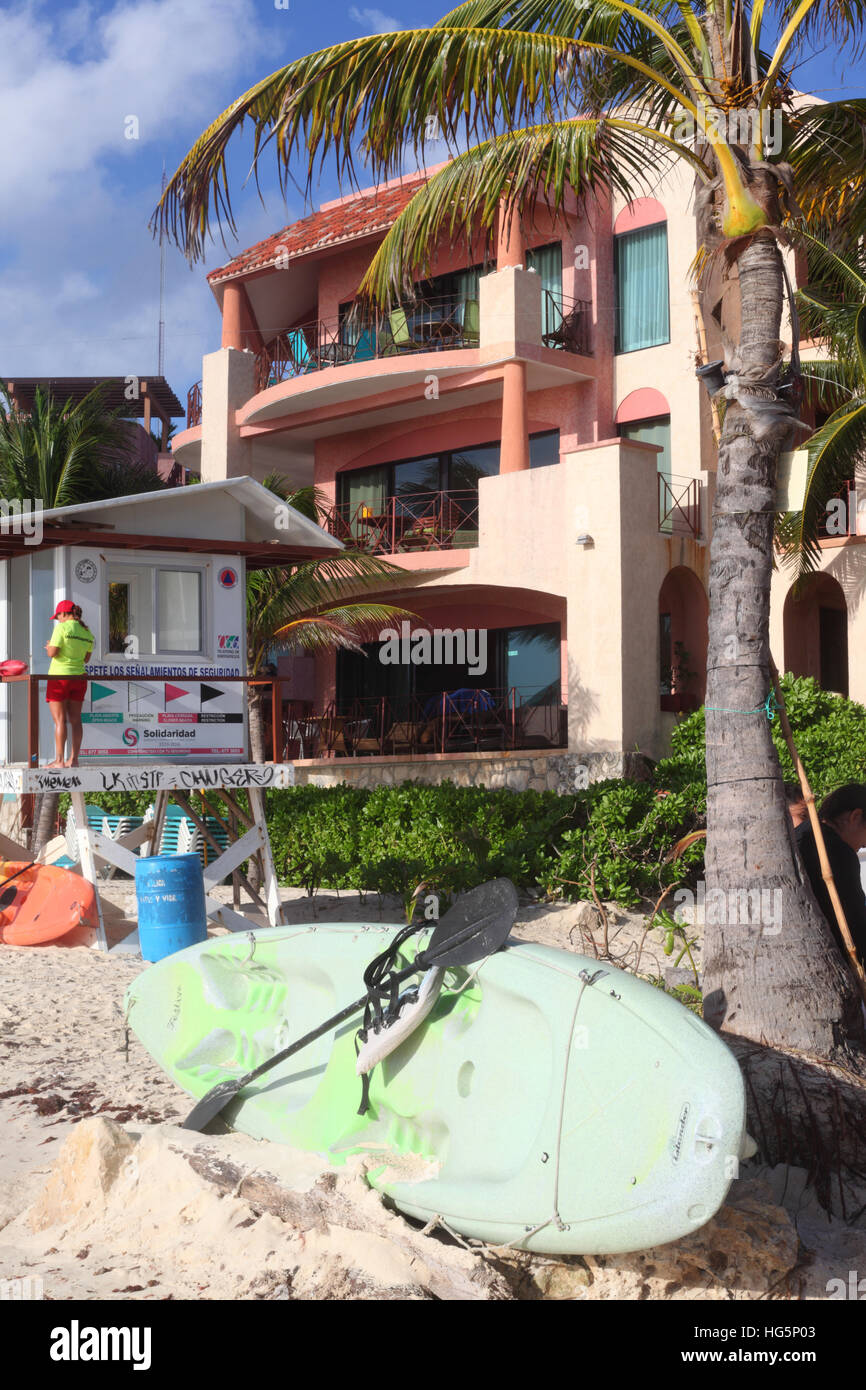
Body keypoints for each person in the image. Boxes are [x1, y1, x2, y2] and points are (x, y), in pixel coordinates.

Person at [795, 784, 866, 966]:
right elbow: (855, 923)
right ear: (856, 817)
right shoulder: (837, 851)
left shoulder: (802, 831)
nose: (864, 845)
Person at [45, 600, 93, 768]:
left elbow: (52, 653)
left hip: (59, 678)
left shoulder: (61, 628)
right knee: (75, 720)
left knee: (59, 721)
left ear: (64, 614)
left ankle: (59, 761)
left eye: (58, 616)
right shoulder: (87, 632)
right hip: (79, 679)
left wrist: (48, 647)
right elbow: (86, 659)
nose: (58, 620)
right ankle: (74, 760)